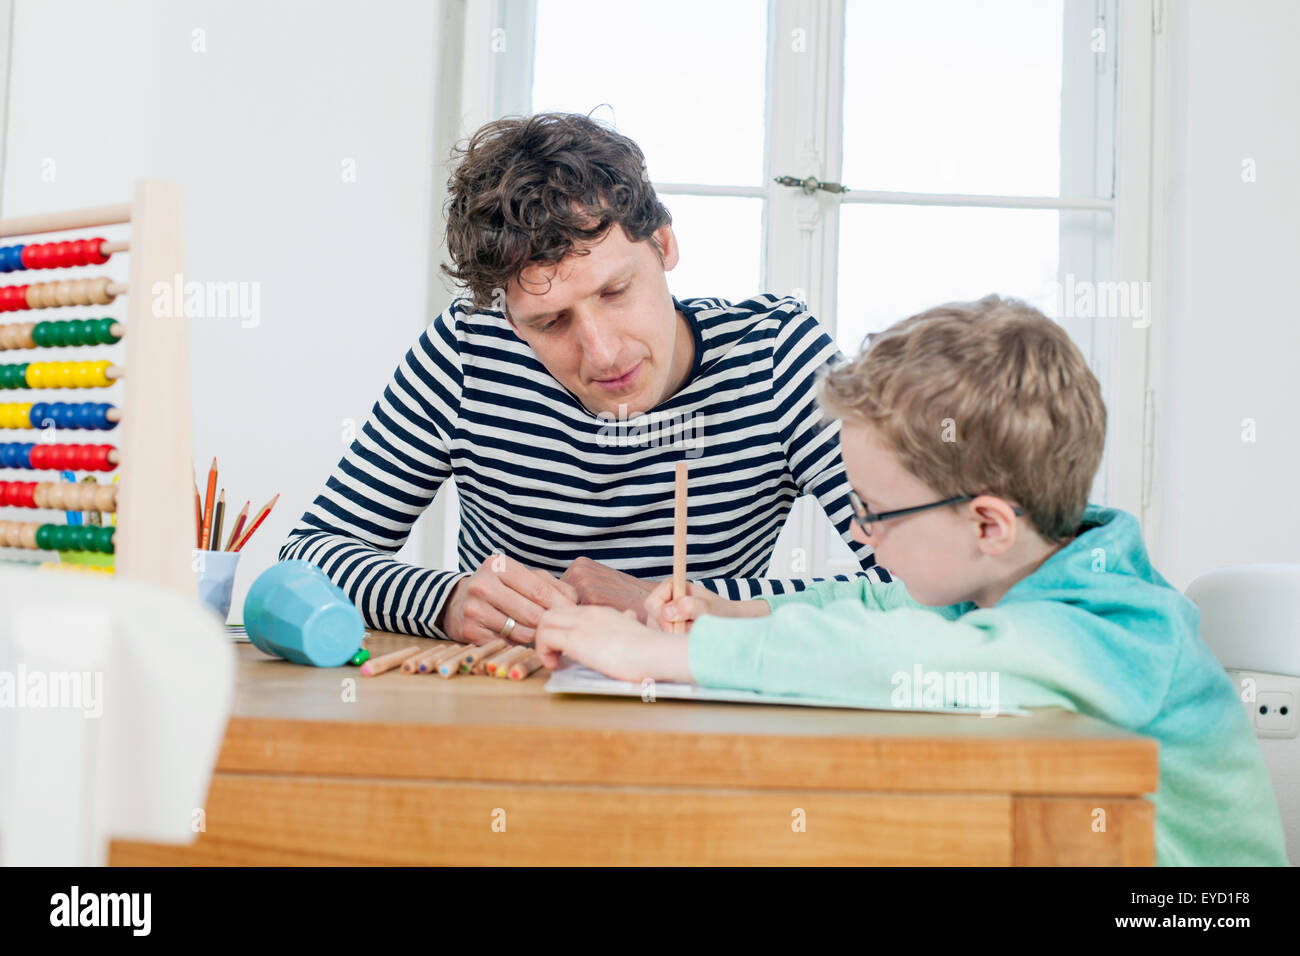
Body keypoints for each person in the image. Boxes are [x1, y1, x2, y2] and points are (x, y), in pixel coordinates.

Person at [534, 294, 1289, 866]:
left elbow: (911, 658)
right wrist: (726, 613)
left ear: (987, 524)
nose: (859, 533)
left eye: (877, 512)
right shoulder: (1020, 570)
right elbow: (871, 599)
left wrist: (672, 659)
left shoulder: (1113, 630)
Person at [280, 112, 889, 644]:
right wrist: (444, 600)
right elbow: (308, 558)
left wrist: (695, 605)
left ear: (664, 244)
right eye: (550, 322)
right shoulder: (469, 352)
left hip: (700, 717)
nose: (601, 354)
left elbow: (918, 586)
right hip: (510, 715)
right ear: (510, 320)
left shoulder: (778, 358)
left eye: (616, 291)